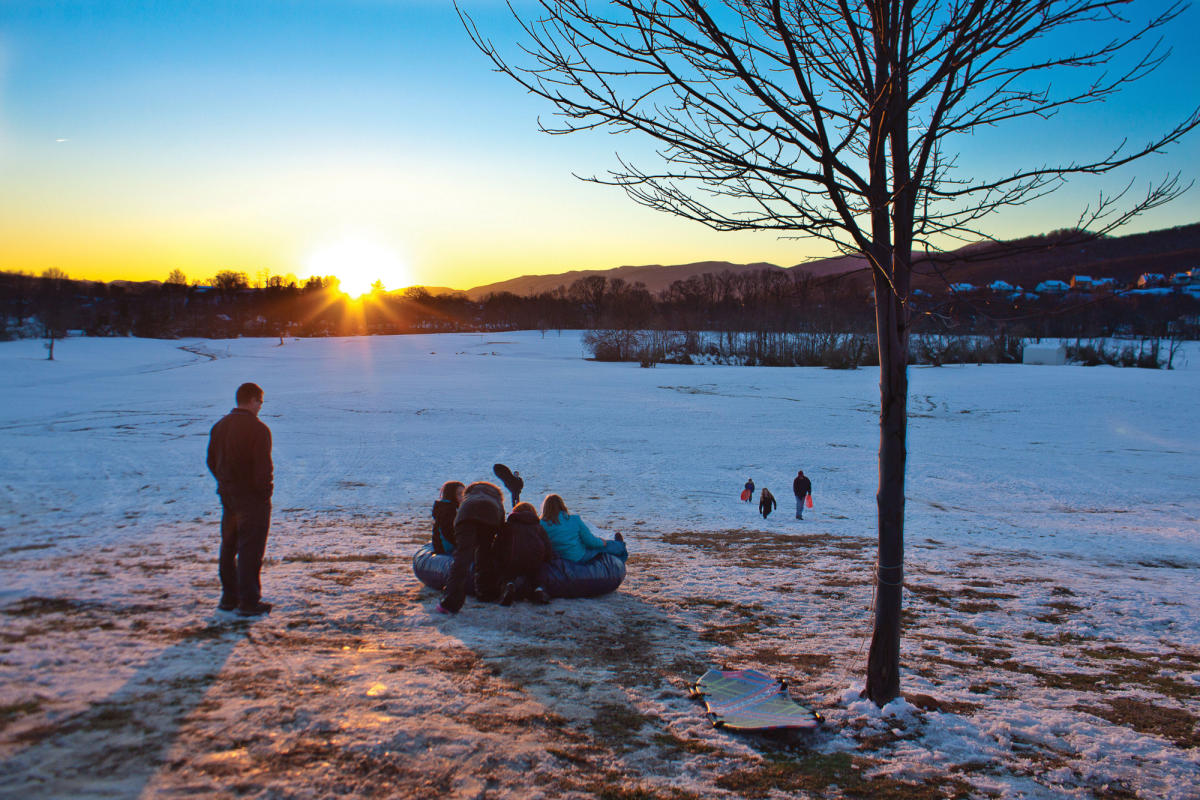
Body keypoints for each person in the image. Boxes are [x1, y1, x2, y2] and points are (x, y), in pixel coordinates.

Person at [206, 382, 274, 618]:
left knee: (229, 545)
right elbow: (263, 468)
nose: (260, 407)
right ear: (253, 400)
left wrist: (224, 483)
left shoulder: (220, 426)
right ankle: (248, 601)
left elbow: (211, 461)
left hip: (228, 496)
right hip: (252, 499)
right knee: (250, 549)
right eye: (260, 403)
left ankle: (229, 597)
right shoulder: (258, 430)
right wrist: (264, 493)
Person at [438, 481, 506, 614]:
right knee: (484, 553)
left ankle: (451, 601)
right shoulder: (496, 498)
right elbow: (501, 525)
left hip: (466, 516)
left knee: (462, 557)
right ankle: (485, 592)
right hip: (490, 515)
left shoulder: (468, 497)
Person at [540, 494, 627, 563]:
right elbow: (590, 541)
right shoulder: (574, 519)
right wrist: (602, 543)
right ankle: (620, 546)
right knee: (604, 546)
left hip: (557, 558)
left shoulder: (541, 524)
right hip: (577, 557)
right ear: (562, 505)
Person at [497, 502, 553, 606]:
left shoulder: (508, 526)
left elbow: (499, 545)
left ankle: (509, 585)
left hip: (512, 559)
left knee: (508, 573)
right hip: (534, 559)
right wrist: (547, 559)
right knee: (536, 574)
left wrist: (499, 558)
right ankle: (539, 589)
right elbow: (547, 546)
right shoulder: (538, 527)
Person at [432, 481, 465, 554]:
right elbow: (448, 533)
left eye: (464, 494)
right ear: (451, 495)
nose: (463, 497)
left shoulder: (446, 507)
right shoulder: (448, 510)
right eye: (459, 494)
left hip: (443, 545)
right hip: (445, 548)